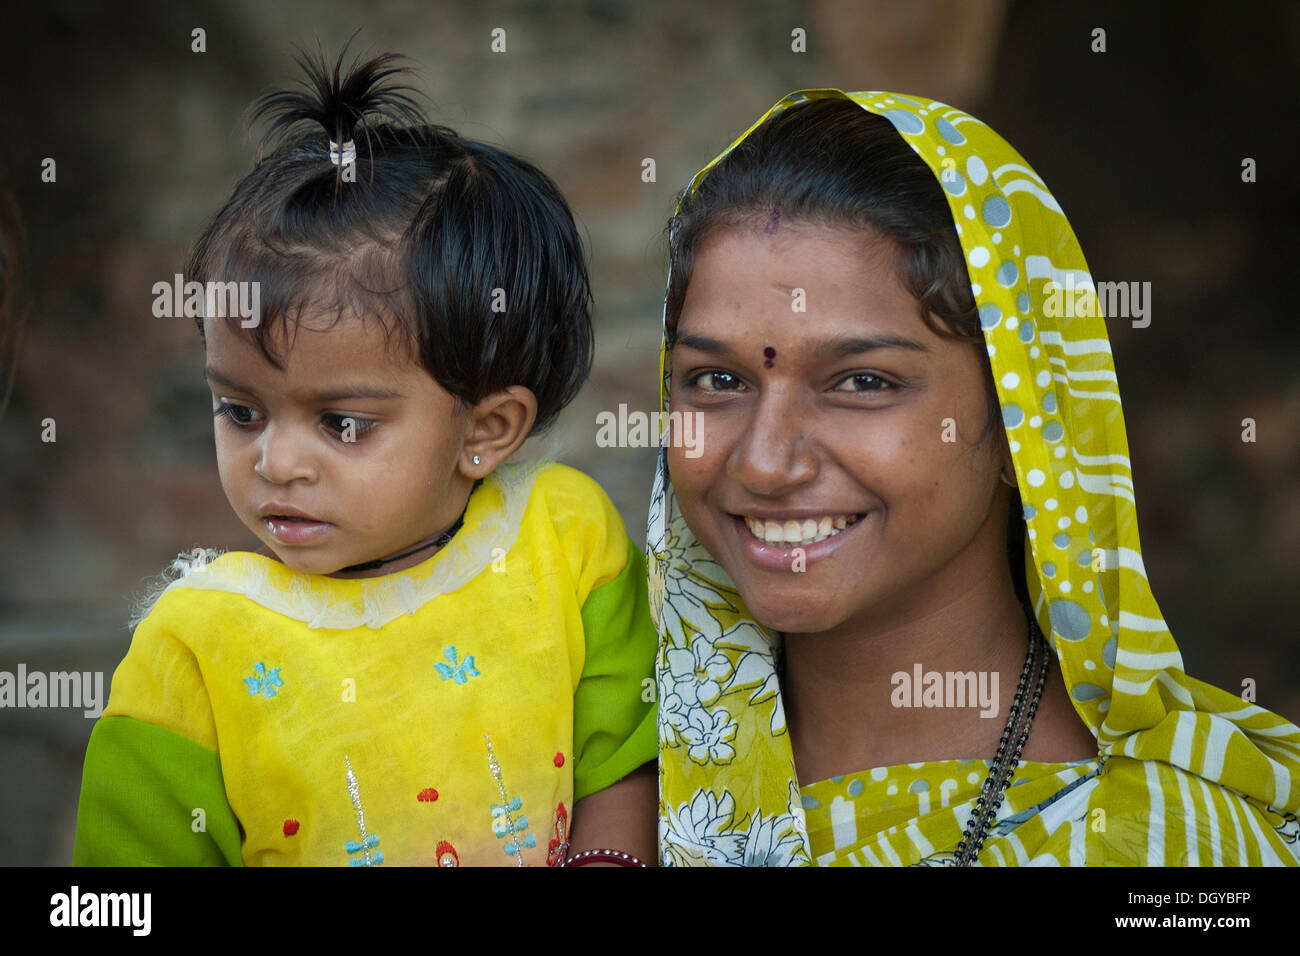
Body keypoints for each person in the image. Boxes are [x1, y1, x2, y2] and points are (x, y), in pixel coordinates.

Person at [647, 89, 1300, 866]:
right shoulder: (584, 772)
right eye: (716, 381)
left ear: (1019, 424)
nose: (763, 460)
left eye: (862, 382)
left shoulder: (1167, 849)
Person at [73, 43, 657, 866]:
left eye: (341, 424)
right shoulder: (193, 652)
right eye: (240, 410)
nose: (277, 462)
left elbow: (626, 755)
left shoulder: (561, 543)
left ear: (487, 430)